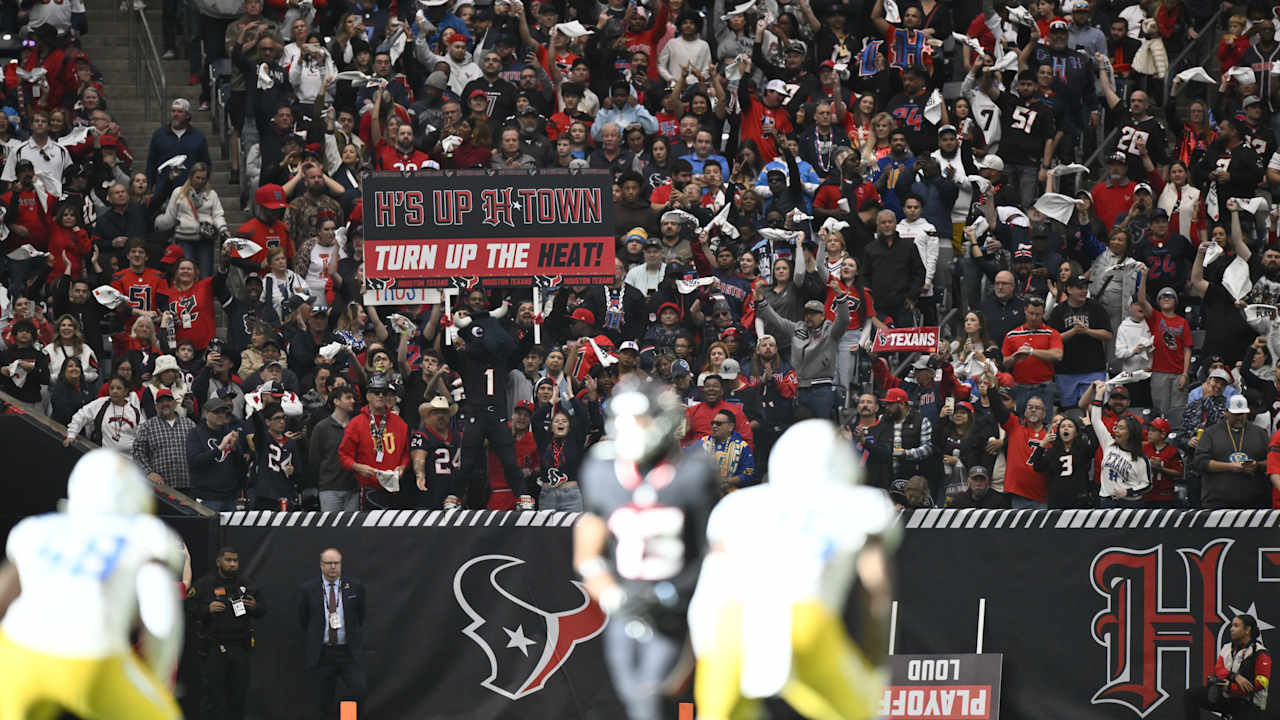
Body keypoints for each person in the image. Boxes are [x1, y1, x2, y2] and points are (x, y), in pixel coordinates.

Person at [688, 420, 895, 719]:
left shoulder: (737, 506)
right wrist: (876, 664)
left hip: (730, 622)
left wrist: (705, 646)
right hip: (805, 619)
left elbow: (710, 589)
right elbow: (875, 587)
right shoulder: (861, 505)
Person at [0, 450, 185, 720]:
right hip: (90, 658)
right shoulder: (145, 534)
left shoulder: (36, 529)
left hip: (17, 651)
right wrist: (158, 678)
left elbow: (4, 596)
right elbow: (162, 620)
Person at [575, 380, 719, 720]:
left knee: (653, 701)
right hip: (625, 611)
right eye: (622, 419)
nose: (628, 429)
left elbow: (711, 554)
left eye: (638, 419)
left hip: (676, 612)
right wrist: (613, 596)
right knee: (635, 701)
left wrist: (672, 594)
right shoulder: (601, 471)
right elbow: (587, 552)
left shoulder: (693, 474)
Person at [187, 546, 265, 720]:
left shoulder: (246, 584)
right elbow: (189, 607)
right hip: (214, 647)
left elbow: (263, 609)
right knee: (214, 695)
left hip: (239, 647)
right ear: (218, 561)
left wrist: (255, 607)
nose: (232, 564)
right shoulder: (205, 584)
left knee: (238, 695)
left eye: (235, 561)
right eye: (228, 560)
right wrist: (206, 609)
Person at [298, 548, 368, 718]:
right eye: (328, 563)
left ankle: (345, 718)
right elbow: (304, 619)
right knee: (323, 699)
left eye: (336, 563)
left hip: (347, 651)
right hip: (323, 652)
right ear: (321, 565)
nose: (333, 567)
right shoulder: (308, 589)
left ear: (341, 565)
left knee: (357, 689)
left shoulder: (355, 586)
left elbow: (360, 616)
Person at [338, 374, 410, 509]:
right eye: (376, 392)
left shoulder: (400, 423)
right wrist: (358, 467)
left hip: (395, 487)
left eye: (384, 392)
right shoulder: (356, 423)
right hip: (368, 487)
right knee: (371, 530)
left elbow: (406, 454)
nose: (381, 396)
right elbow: (343, 455)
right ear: (368, 396)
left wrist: (402, 467)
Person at [1183, 614, 1271, 720]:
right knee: (1190, 694)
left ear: (1247, 629)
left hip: (1249, 704)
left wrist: (1231, 687)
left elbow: (1261, 683)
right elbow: (1219, 669)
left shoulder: (1260, 652)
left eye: (1236, 626)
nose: (1231, 629)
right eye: (1231, 626)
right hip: (1227, 697)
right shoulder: (1227, 647)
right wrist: (1234, 677)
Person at [1194, 394, 1270, 510]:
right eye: (1235, 414)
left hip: (1254, 503)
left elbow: (1273, 462)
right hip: (1217, 503)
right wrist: (1230, 467)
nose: (1239, 418)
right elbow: (1200, 462)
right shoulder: (1210, 433)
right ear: (1226, 412)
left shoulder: (1260, 433)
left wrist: (1257, 465)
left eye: (1242, 414)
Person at [1084, 381, 1152, 507]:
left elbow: (1146, 485)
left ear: (1130, 432)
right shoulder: (1108, 444)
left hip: (1130, 503)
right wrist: (1099, 394)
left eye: (1121, 428)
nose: (1116, 430)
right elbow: (1096, 420)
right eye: (1116, 427)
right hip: (1106, 500)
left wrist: (1128, 492)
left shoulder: (1141, 458)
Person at [1001, 297, 1064, 413]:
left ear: (1043, 313)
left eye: (1038, 314)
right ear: (1025, 311)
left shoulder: (1051, 333)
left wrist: (1031, 351)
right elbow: (1002, 363)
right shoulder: (1012, 335)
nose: (1034, 318)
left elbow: (1058, 355)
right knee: (1020, 422)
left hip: (1044, 386)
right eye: (1031, 313)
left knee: (1045, 423)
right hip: (1020, 387)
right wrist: (1015, 357)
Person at [186, 396, 246, 512]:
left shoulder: (229, 431)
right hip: (208, 497)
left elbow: (241, 466)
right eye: (216, 412)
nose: (221, 415)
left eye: (223, 412)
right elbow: (195, 462)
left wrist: (235, 449)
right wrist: (219, 449)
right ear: (206, 414)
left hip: (230, 496)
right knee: (209, 530)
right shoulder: (196, 433)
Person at [133, 388, 197, 490]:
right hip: (160, 488)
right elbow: (138, 452)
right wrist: (149, 472)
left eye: (168, 400)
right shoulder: (147, 426)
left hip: (188, 484)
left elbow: (198, 451)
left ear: (175, 403)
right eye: (161, 402)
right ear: (156, 406)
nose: (165, 404)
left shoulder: (189, 424)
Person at [311, 385, 359, 512]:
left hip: (353, 488)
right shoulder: (322, 427)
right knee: (330, 529)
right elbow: (314, 459)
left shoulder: (356, 426)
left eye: (353, 398)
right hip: (330, 488)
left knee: (352, 529)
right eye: (348, 398)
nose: (352, 401)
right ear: (336, 401)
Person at [699, 409, 756, 492]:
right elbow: (685, 457)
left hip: (731, 493)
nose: (714, 426)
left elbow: (749, 474)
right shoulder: (703, 442)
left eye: (718, 424)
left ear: (730, 427)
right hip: (704, 492)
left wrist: (727, 481)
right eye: (713, 423)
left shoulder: (741, 446)